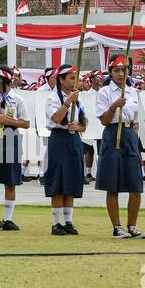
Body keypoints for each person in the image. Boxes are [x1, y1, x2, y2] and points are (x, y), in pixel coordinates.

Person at [96, 55, 145, 238]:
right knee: (113, 184)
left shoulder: (133, 91)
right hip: (112, 133)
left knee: (135, 183)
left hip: (129, 135)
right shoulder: (104, 92)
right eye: (117, 70)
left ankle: (132, 225)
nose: (121, 73)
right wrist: (113, 107)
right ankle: (117, 227)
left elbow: (135, 116)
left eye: (124, 69)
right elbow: (103, 120)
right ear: (110, 72)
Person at [0, 66, 29, 233]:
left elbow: (26, 123)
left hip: (11, 136)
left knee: (10, 181)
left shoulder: (17, 99)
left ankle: (8, 219)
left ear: (2, 80)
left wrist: (9, 121)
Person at [43, 63, 86, 236]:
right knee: (58, 180)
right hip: (59, 139)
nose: (75, 81)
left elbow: (84, 123)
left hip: (73, 139)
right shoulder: (53, 98)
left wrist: (78, 127)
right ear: (61, 80)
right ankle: (56, 222)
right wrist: (68, 102)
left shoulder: (78, 98)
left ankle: (68, 221)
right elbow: (56, 117)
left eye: (76, 77)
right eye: (71, 78)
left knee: (71, 179)